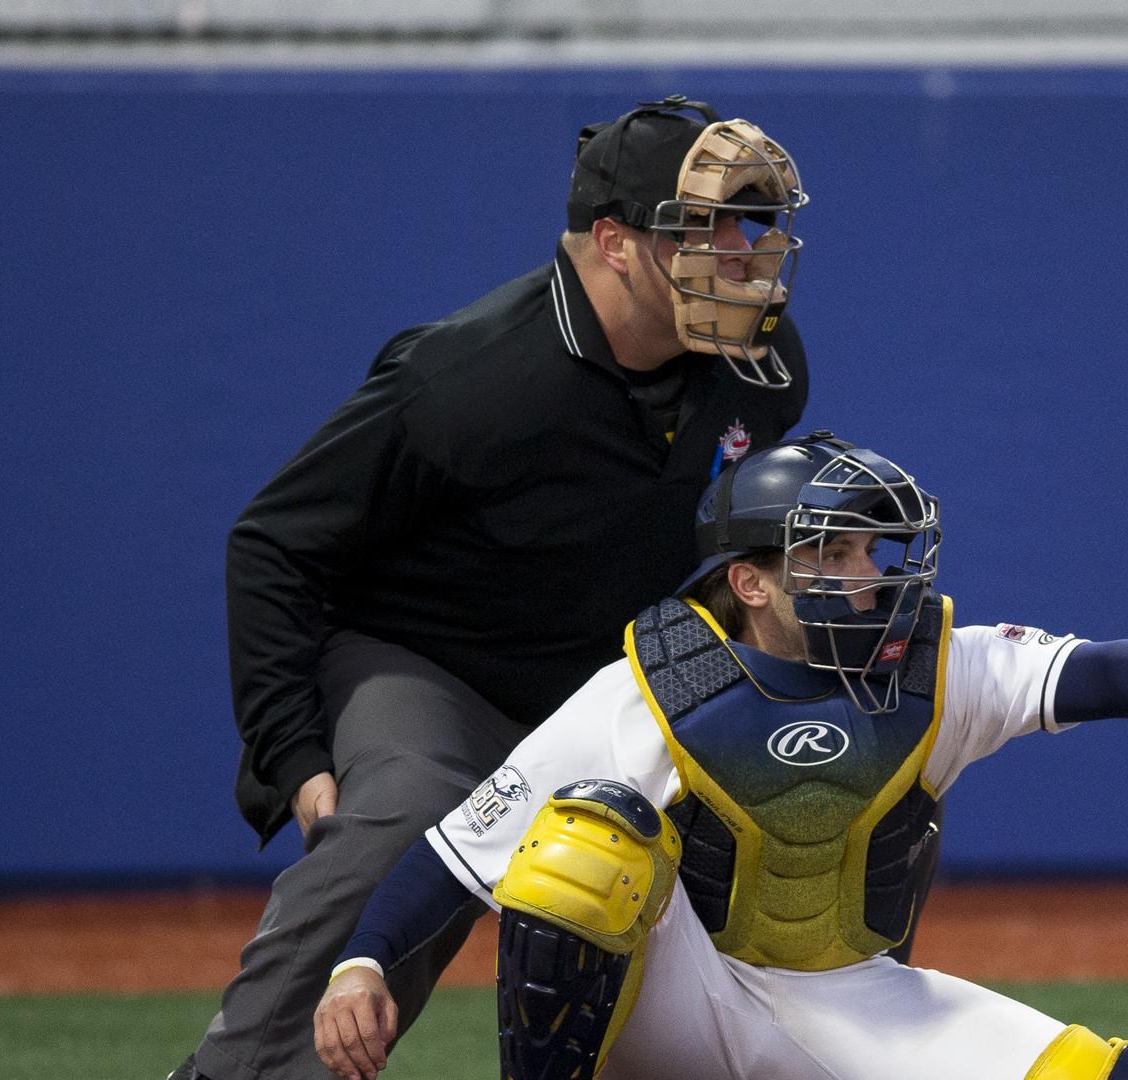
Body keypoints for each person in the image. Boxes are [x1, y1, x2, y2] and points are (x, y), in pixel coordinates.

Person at [170, 95, 812, 1080]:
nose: (742, 250)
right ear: (615, 242)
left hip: (611, 665)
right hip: (430, 661)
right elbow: (273, 545)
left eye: (752, 221)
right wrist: (294, 754)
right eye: (704, 224)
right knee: (420, 807)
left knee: (786, 789)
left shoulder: (760, 367)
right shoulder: (469, 377)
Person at [312, 433, 1128, 1080]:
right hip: (678, 1005)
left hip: (852, 995)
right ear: (750, 581)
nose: (868, 573)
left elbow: (1100, 672)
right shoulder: (651, 692)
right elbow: (459, 851)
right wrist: (363, 963)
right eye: (832, 551)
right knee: (585, 848)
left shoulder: (931, 666)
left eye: (871, 551)